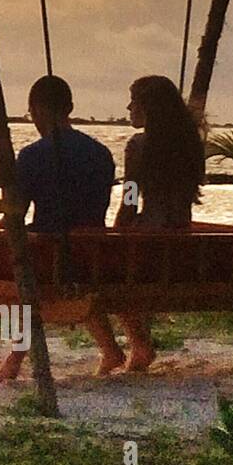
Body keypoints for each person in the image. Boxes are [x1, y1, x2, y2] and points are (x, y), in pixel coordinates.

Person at [0, 75, 116, 379]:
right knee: (47, 272)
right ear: (70, 107)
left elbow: (15, 214)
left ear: (37, 110)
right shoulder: (102, 154)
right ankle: (110, 350)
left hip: (50, 255)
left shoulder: (32, 155)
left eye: (31, 114)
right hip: (93, 254)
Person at [92, 75, 206, 372]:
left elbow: (130, 197)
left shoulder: (139, 145)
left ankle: (138, 344)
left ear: (148, 108)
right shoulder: (191, 143)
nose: (129, 107)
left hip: (150, 238)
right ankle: (139, 346)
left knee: (110, 270)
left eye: (134, 101)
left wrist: (116, 231)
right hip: (181, 234)